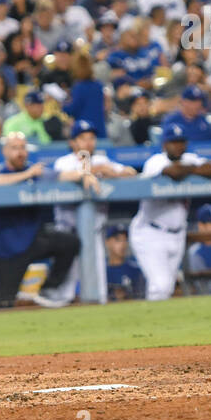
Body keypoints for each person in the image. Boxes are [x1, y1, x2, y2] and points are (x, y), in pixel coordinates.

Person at [0, 132, 79, 308]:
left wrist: (86, 174)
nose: (20, 152)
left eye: (23, 148)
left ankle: (48, 289)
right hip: (6, 249)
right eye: (14, 148)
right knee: (4, 303)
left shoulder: (35, 171)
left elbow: (62, 176)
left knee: (69, 242)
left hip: (32, 240)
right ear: (5, 151)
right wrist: (26, 175)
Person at [128, 123, 211, 301]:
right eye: (173, 142)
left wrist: (189, 168)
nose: (178, 146)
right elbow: (174, 172)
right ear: (164, 145)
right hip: (150, 232)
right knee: (160, 286)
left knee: (167, 287)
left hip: (177, 234)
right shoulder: (155, 161)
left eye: (181, 142)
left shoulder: (189, 158)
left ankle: (154, 325)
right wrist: (193, 169)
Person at [52, 119, 136, 304]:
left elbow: (131, 172)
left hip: (94, 232)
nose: (88, 142)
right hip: (69, 234)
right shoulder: (63, 162)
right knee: (63, 292)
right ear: (73, 142)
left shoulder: (102, 159)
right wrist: (95, 170)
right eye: (82, 138)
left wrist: (114, 173)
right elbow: (64, 176)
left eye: (91, 138)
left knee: (99, 291)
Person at [104, 224, 146, 301]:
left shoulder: (135, 269)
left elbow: (142, 296)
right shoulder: (99, 270)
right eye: (118, 240)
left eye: (125, 240)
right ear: (107, 242)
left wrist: (126, 295)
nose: (123, 244)